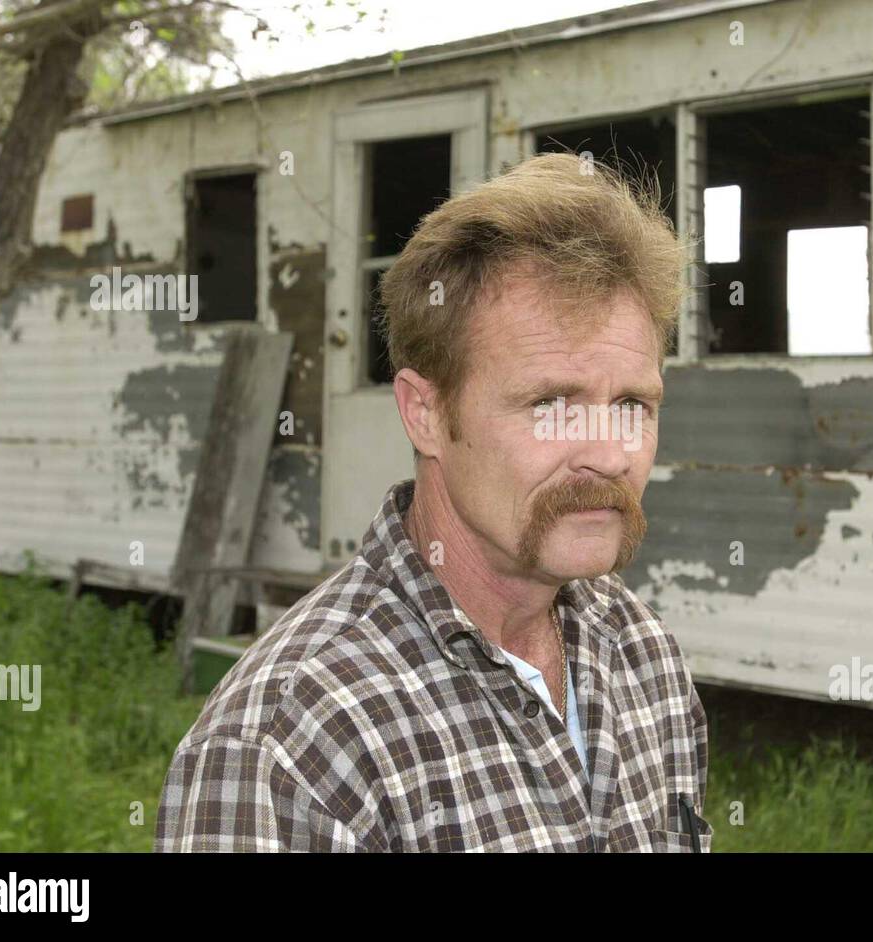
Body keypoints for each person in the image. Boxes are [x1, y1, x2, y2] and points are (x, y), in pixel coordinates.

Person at [154, 152, 710, 852]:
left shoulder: (642, 655)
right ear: (423, 412)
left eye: (632, 403)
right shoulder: (291, 748)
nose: (609, 453)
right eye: (549, 404)